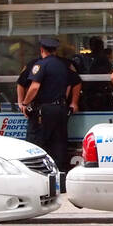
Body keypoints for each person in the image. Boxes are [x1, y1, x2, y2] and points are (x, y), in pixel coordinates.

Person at [21, 36, 81, 174]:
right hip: (61, 110)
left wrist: (25, 103)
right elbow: (75, 82)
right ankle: (60, 177)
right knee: (59, 144)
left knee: (36, 144)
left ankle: (38, 175)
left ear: (42, 49)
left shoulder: (41, 65)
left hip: (44, 111)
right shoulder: (63, 65)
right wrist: (72, 102)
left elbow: (34, 87)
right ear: (55, 50)